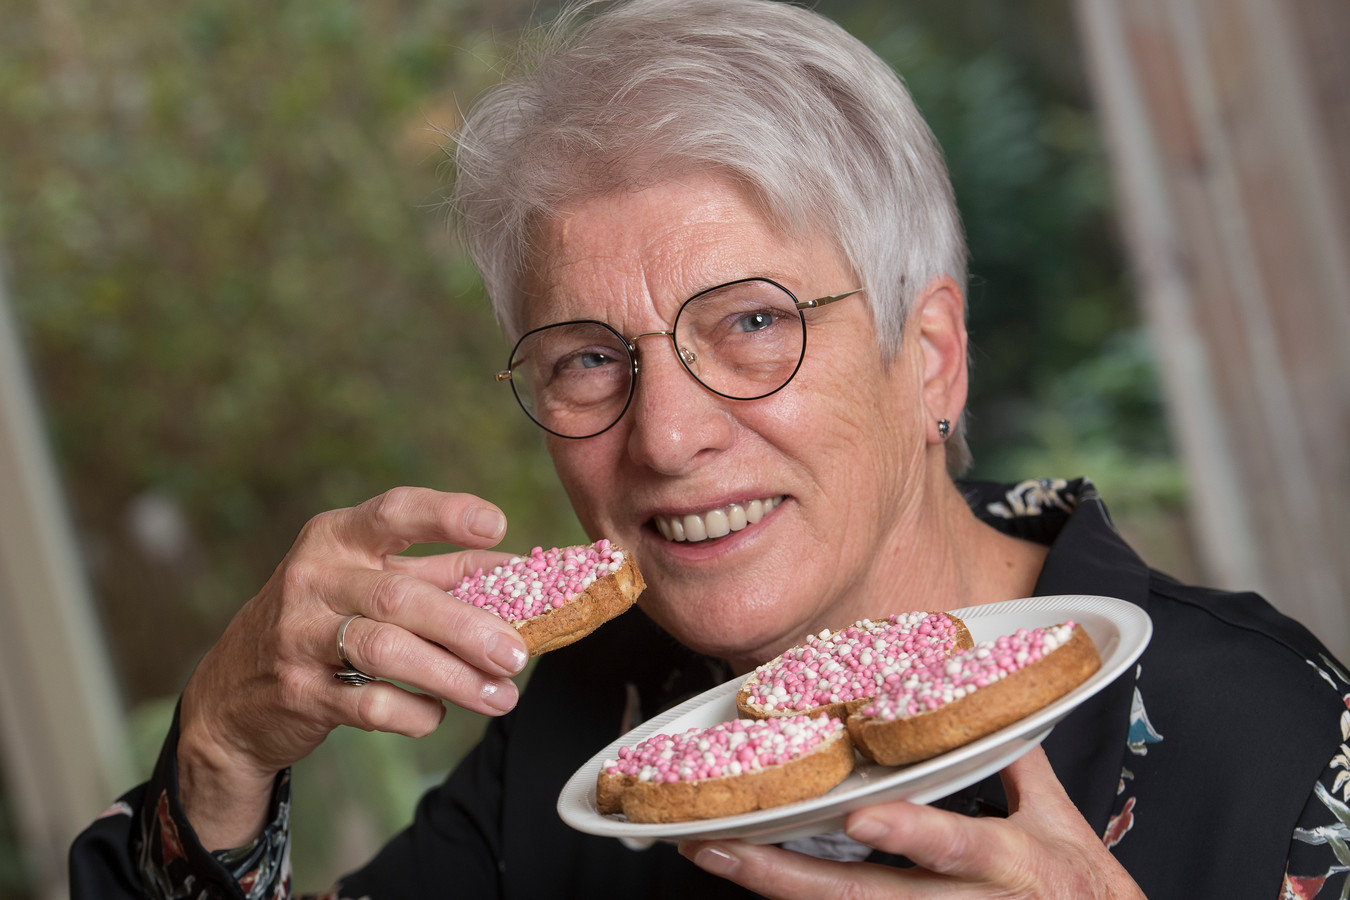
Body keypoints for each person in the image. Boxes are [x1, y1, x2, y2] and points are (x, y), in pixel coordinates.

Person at [70, 0, 1350, 897]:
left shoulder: (1271, 734)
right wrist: (219, 759)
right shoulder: (587, 737)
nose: (669, 437)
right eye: (586, 358)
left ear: (935, 357)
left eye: (752, 324)